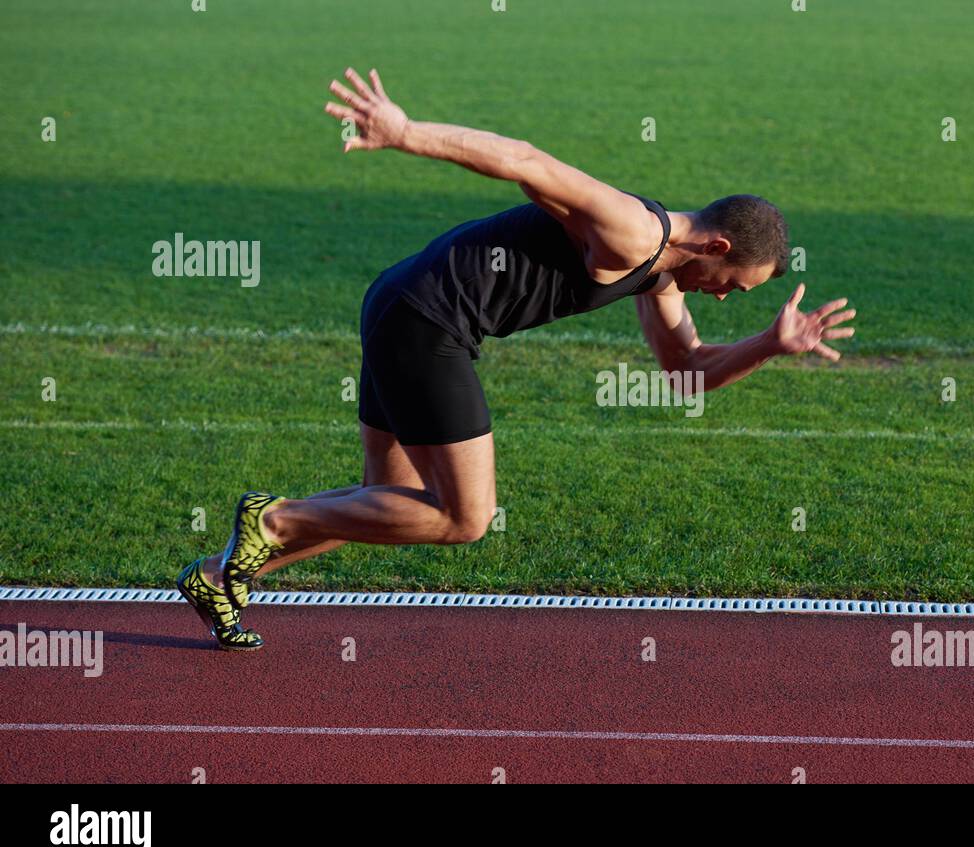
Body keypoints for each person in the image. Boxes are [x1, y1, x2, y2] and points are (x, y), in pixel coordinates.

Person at [176, 68, 855, 650]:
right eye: (735, 287)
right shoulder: (632, 229)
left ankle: (219, 573)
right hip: (429, 321)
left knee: (381, 506)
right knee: (464, 517)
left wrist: (771, 343)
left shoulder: (660, 272)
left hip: (398, 301)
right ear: (718, 249)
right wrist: (405, 132)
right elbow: (527, 160)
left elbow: (686, 372)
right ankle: (274, 519)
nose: (729, 299)